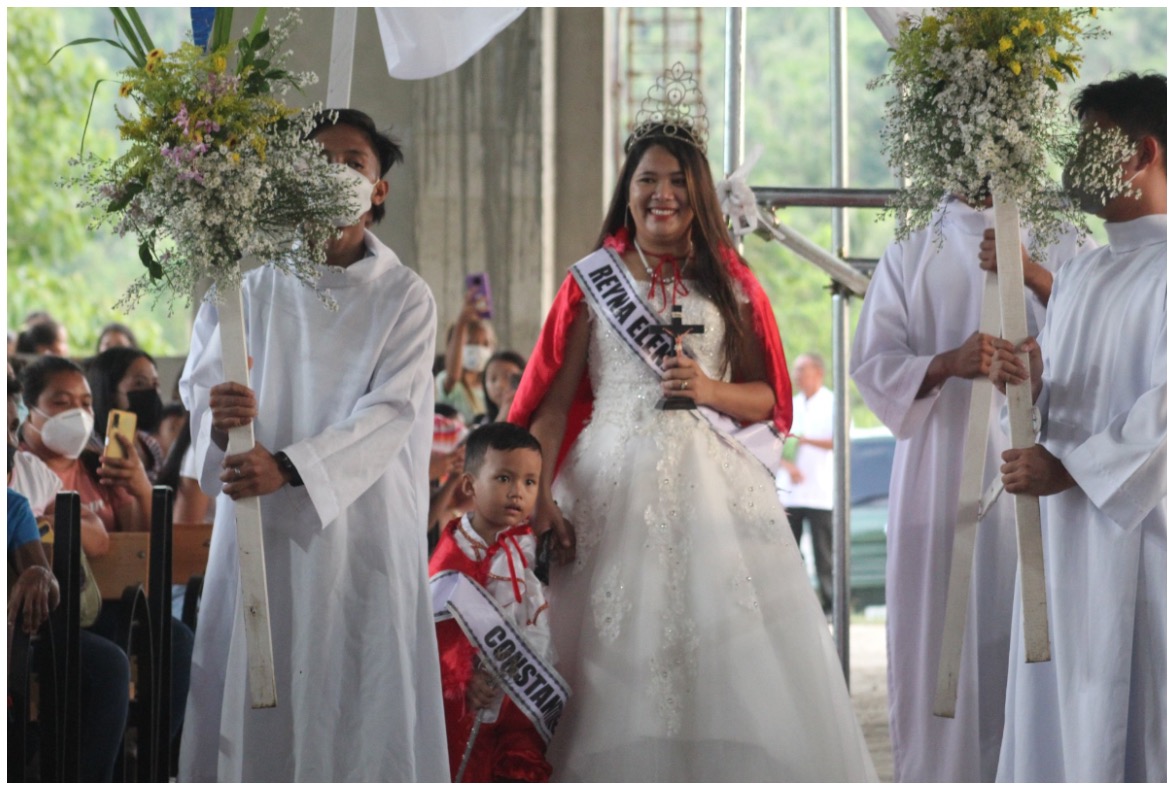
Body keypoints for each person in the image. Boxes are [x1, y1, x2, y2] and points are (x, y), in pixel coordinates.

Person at [507, 66, 876, 781]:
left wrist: (708, 387)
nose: (662, 193)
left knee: (728, 654)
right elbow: (551, 403)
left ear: (696, 191)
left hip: (715, 483)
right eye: (647, 179)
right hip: (609, 481)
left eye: (676, 179)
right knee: (607, 658)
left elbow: (768, 397)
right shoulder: (592, 282)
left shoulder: (732, 283)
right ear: (629, 189)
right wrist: (543, 497)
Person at [178, 108, 448, 782]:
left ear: (379, 187)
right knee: (256, 710)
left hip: (361, 534)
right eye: (316, 160)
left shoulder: (406, 298)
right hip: (259, 531)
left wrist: (291, 467)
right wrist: (222, 421)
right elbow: (202, 390)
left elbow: (391, 414)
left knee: (357, 700)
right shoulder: (246, 291)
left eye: (352, 161)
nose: (333, 173)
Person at [850, 183, 1089, 778]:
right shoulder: (913, 245)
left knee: (1035, 646)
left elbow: (1102, 337)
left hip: (1041, 468)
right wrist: (945, 363)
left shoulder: (1062, 235)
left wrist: (1037, 310)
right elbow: (873, 364)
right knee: (939, 652)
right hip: (938, 465)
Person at [988, 72, 1166, 783]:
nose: (1070, 162)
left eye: (1091, 142)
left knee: (1127, 721)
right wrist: (1027, 386)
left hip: (1136, 544)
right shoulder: (1086, 273)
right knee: (1052, 720)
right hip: (1061, 544)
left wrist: (1070, 469)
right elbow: (1064, 399)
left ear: (1143, 153)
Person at [429, 422, 555, 782]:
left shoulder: (528, 548)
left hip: (520, 701)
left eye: (530, 482)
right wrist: (464, 680)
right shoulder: (452, 556)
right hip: (468, 703)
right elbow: (436, 637)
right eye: (504, 479)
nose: (518, 492)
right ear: (470, 485)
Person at [777, 352, 835, 613]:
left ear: (818, 373)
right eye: (796, 371)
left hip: (821, 493)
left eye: (803, 370)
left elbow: (839, 442)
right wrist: (788, 465)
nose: (797, 376)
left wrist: (805, 440)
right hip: (790, 493)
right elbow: (777, 440)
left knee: (824, 555)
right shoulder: (791, 404)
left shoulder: (833, 403)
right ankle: (795, 605)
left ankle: (829, 605)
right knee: (789, 553)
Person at [85, 347, 167, 483]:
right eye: (139, 383)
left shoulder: (150, 446)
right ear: (110, 392)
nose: (151, 391)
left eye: (155, 383)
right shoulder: (90, 447)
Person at [437, 289, 496, 424]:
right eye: (472, 343)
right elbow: (453, 376)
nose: (480, 349)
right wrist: (462, 322)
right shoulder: (449, 384)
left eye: (485, 344)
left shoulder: (491, 387)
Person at [474, 350, 526, 427]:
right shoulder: (482, 422)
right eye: (493, 379)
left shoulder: (537, 418)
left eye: (507, 377)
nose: (499, 385)